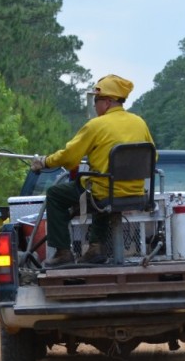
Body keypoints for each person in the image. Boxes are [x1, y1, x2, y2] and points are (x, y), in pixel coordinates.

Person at [30, 74, 154, 267]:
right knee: (101, 186)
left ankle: (63, 252)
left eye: (96, 101)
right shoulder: (139, 122)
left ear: (107, 102)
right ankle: (95, 247)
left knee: (57, 194)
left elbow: (70, 157)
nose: (95, 106)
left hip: (105, 192)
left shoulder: (96, 125)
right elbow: (153, 158)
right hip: (136, 194)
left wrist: (45, 162)